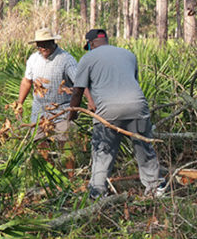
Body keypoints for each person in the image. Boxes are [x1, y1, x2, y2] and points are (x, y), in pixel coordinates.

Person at [68, 29, 166, 199]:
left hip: (107, 111)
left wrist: (72, 113)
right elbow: (132, 81)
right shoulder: (129, 55)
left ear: (91, 44)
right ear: (106, 40)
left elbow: (78, 90)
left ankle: (98, 192)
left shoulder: (88, 58)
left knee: (102, 152)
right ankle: (156, 188)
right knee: (144, 148)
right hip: (137, 106)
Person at [13, 28, 87, 179]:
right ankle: (53, 177)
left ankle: (70, 178)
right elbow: (27, 81)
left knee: (65, 144)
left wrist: (87, 103)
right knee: (39, 143)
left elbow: (79, 83)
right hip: (39, 110)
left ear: (53, 42)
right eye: (39, 45)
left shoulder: (66, 59)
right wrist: (19, 103)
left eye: (46, 44)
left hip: (62, 109)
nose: (43, 48)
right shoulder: (33, 59)